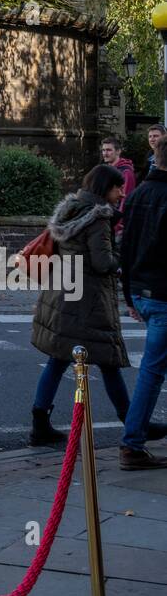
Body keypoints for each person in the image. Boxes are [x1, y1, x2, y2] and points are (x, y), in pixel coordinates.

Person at [30, 164, 133, 447]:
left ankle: (39, 423)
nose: (121, 192)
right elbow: (103, 263)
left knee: (58, 359)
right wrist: (119, 256)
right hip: (87, 301)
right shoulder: (98, 218)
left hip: (64, 294)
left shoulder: (72, 209)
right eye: (117, 187)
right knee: (108, 361)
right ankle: (133, 423)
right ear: (105, 188)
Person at [118, 134, 167, 469]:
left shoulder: (138, 195)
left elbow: (126, 247)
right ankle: (132, 442)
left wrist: (129, 295)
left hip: (142, 291)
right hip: (163, 294)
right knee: (152, 370)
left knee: (153, 369)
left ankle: (133, 440)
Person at [100, 136, 135, 237]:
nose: (105, 153)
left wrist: (118, 225)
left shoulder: (126, 172)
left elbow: (125, 199)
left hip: (117, 224)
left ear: (118, 151)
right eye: (103, 150)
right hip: (105, 220)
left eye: (109, 150)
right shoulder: (105, 169)